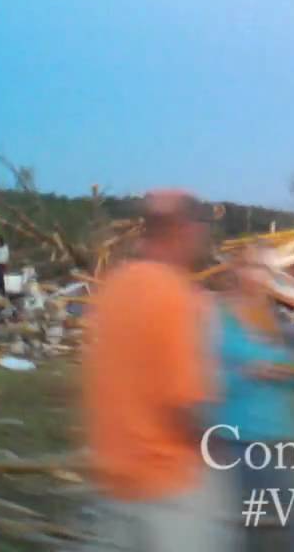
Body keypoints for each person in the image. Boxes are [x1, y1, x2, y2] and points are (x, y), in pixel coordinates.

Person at [82, 190, 232, 552]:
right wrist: (218, 450)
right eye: (201, 228)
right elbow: (184, 404)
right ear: (185, 229)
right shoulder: (176, 295)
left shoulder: (114, 288)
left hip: (115, 480)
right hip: (170, 486)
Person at [210, 263, 294, 552]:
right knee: (264, 519)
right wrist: (246, 373)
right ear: (236, 280)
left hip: (276, 432)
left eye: (263, 279)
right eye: (252, 277)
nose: (258, 285)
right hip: (238, 435)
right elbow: (205, 377)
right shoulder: (218, 323)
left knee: (291, 515)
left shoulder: (271, 321)